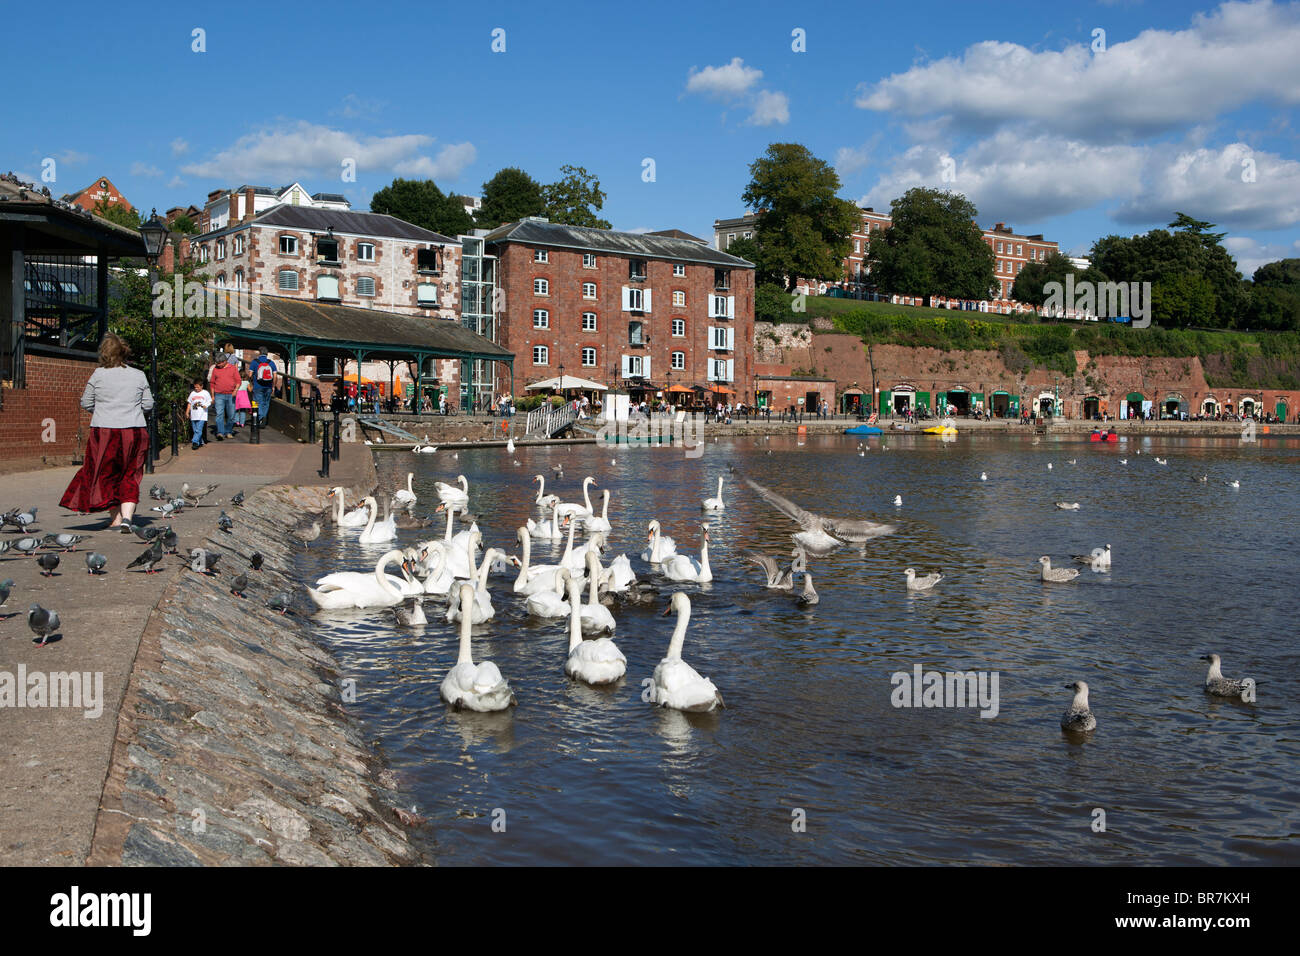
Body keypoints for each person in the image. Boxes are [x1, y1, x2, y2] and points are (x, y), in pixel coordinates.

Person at [60, 332, 154, 530]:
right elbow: (148, 404)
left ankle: (115, 519)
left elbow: (86, 402)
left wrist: (103, 411)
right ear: (124, 352)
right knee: (130, 473)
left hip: (104, 431)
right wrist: (131, 410)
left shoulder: (98, 374)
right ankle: (128, 517)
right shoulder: (138, 375)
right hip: (134, 430)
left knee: (106, 473)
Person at [208, 351, 239, 440]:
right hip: (219, 394)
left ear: (224, 361)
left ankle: (228, 431)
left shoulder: (233, 368)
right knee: (219, 414)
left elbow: (238, 381)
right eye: (217, 363)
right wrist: (213, 395)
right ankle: (220, 432)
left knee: (232, 415)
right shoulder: (215, 369)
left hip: (230, 395)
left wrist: (235, 390)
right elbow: (212, 383)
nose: (218, 365)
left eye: (219, 363)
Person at [248, 347, 277, 425]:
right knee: (266, 403)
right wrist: (273, 387)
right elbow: (275, 376)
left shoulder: (254, 362)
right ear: (267, 353)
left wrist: (252, 382)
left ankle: (260, 418)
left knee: (258, 402)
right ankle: (264, 417)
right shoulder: (271, 363)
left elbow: (250, 375)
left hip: (257, 386)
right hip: (268, 387)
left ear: (259, 353)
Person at [187, 379, 212, 449]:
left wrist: (206, 405)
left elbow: (210, 401)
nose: (196, 389)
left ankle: (195, 442)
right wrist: (187, 412)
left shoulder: (205, 393)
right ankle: (200, 441)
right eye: (195, 387)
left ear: (202, 386)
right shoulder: (192, 393)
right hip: (194, 415)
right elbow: (189, 403)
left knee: (198, 430)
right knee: (195, 430)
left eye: (198, 387)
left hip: (202, 415)